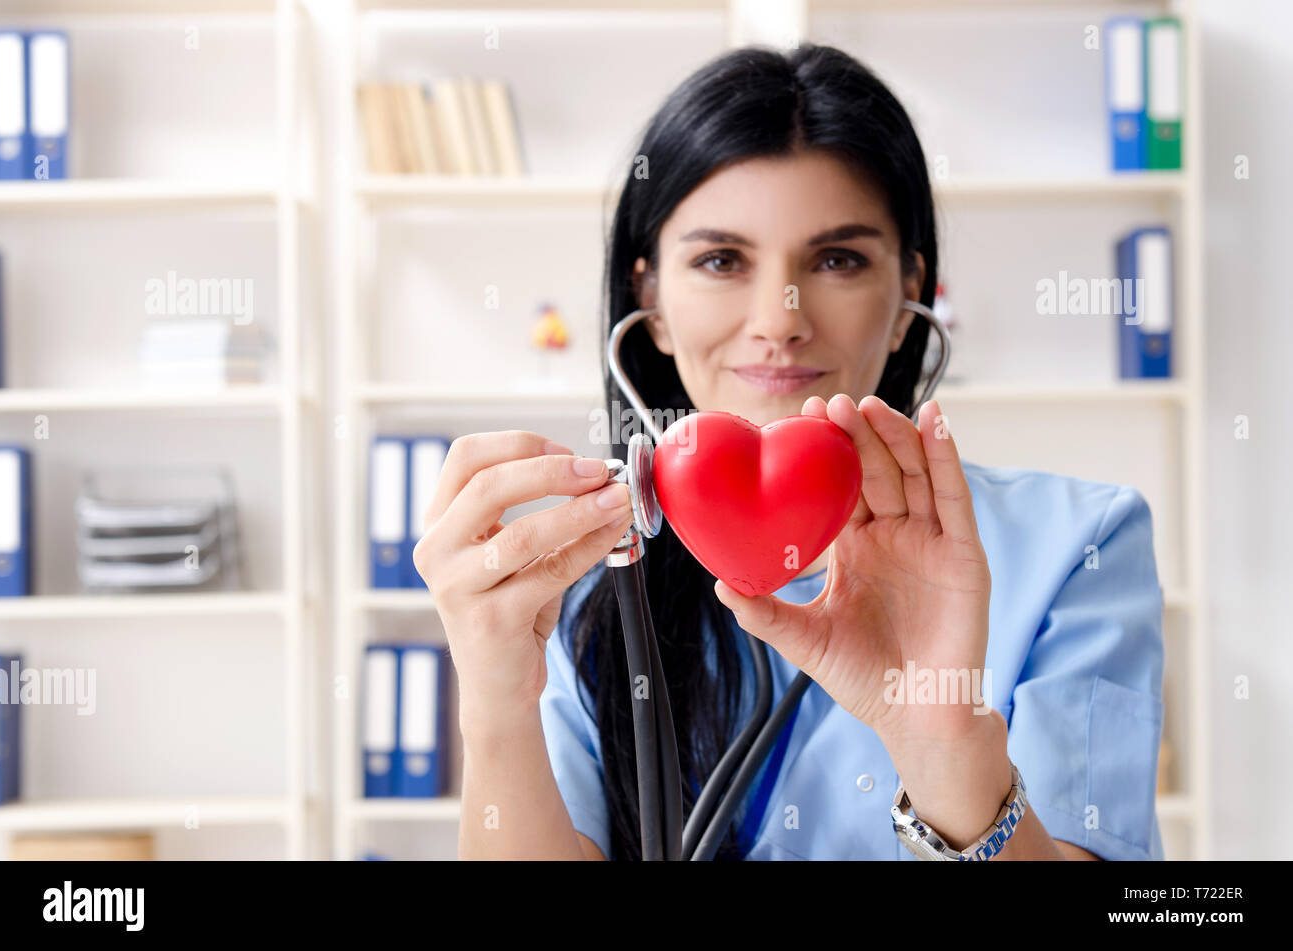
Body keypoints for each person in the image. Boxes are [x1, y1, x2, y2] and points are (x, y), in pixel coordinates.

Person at [413, 43, 1165, 861]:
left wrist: (945, 743)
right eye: (721, 260)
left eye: (837, 259)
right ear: (651, 303)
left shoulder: (1078, 545)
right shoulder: (581, 581)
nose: (781, 317)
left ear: (911, 298)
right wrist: (492, 709)